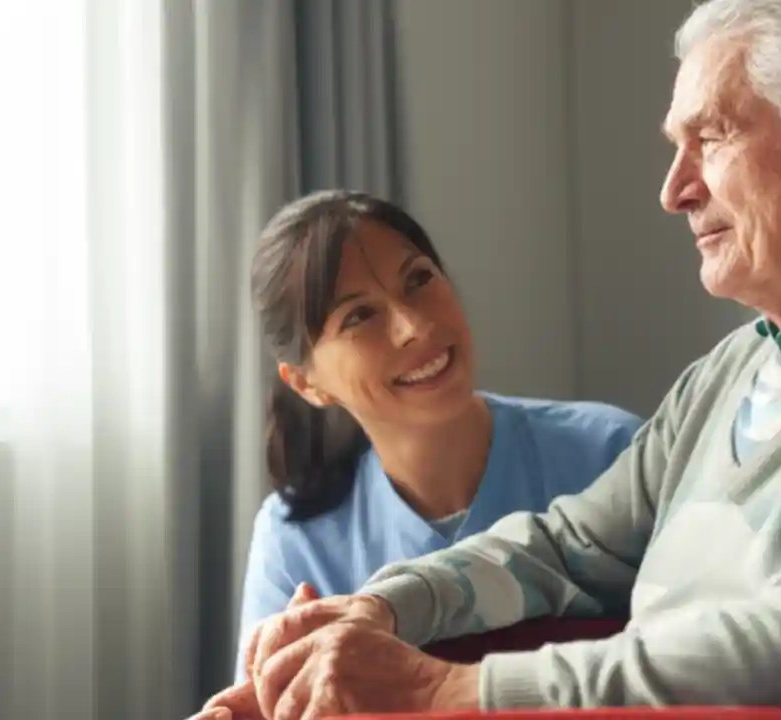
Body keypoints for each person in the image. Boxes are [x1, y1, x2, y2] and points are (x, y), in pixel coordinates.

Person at [200, 0, 781, 716]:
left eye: (712, 136)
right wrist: (376, 612)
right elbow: (563, 547)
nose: (674, 189)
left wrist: (443, 691)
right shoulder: (726, 373)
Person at [234, 190, 642, 679]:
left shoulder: (613, 452)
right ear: (307, 383)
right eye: (359, 316)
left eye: (419, 279)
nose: (413, 326)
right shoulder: (295, 538)